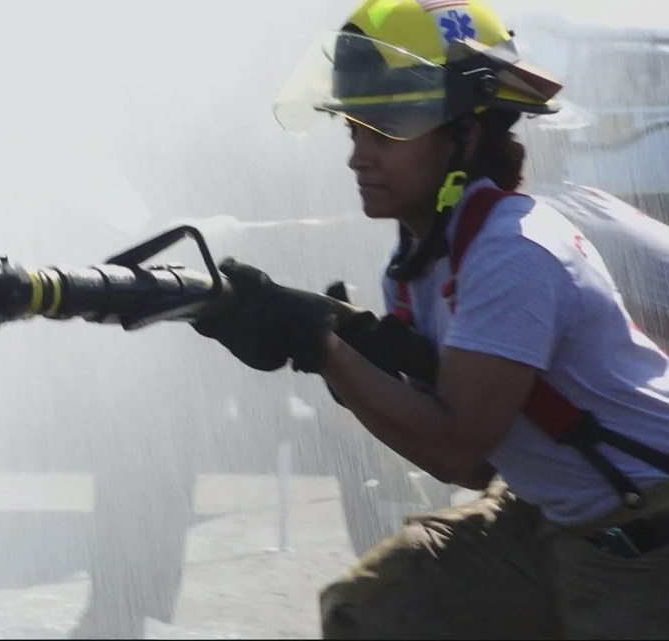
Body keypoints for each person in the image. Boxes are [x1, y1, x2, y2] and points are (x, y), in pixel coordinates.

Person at [191, 0, 669, 637]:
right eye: (355, 130)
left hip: (643, 537)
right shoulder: (422, 259)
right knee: (372, 616)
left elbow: (455, 449)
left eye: (388, 130)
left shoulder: (512, 251)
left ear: (465, 136)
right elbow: (476, 470)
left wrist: (325, 348)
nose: (359, 156)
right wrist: (354, 346)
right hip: (553, 515)